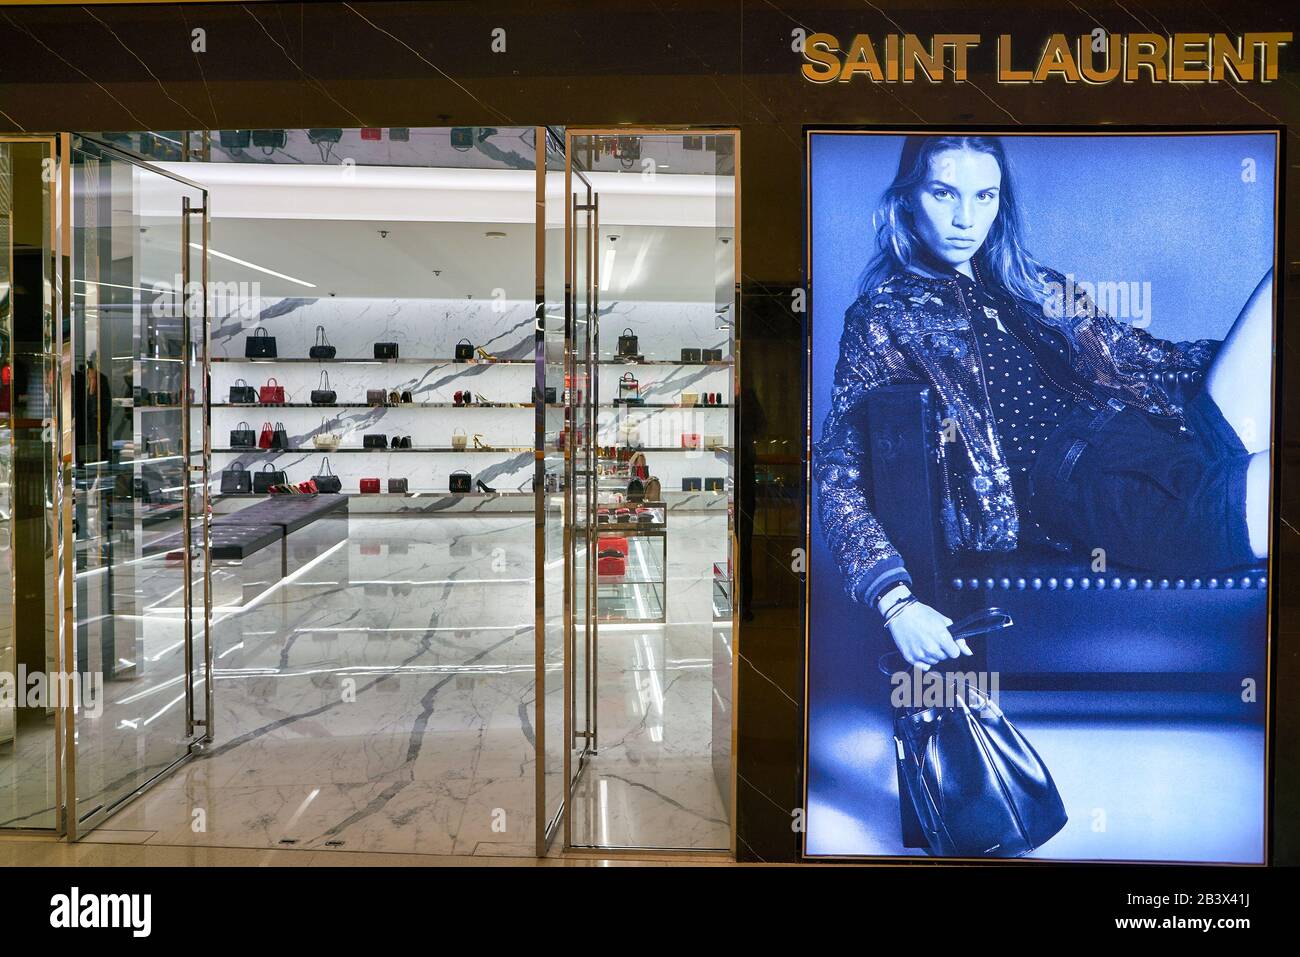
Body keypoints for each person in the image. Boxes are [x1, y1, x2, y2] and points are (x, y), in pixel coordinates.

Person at [815, 135, 1273, 670]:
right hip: (1092, 486)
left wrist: (1247, 360)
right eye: (945, 194)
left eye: (985, 196)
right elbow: (837, 471)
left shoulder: (1031, 283)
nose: (966, 218)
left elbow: (1143, 357)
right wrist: (896, 604)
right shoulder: (884, 316)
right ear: (907, 199)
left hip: (1164, 428)